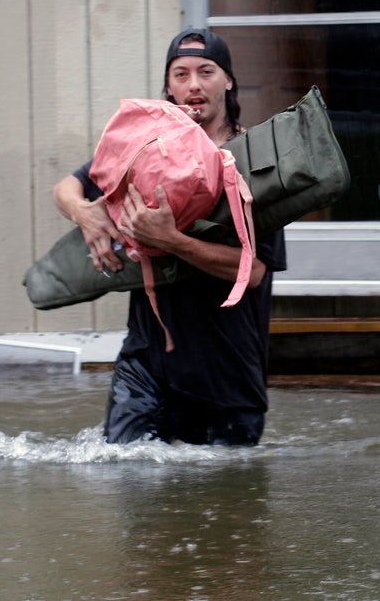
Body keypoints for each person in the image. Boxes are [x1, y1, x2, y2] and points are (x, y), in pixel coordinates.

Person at [52, 28, 287, 446]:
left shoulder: (257, 163)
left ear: (228, 81)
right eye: (181, 74)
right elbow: (66, 188)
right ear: (168, 86)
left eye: (206, 72)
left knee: (228, 485)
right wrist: (85, 214)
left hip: (227, 373)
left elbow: (252, 273)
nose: (193, 84)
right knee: (122, 471)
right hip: (147, 364)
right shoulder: (145, 149)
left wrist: (172, 240)